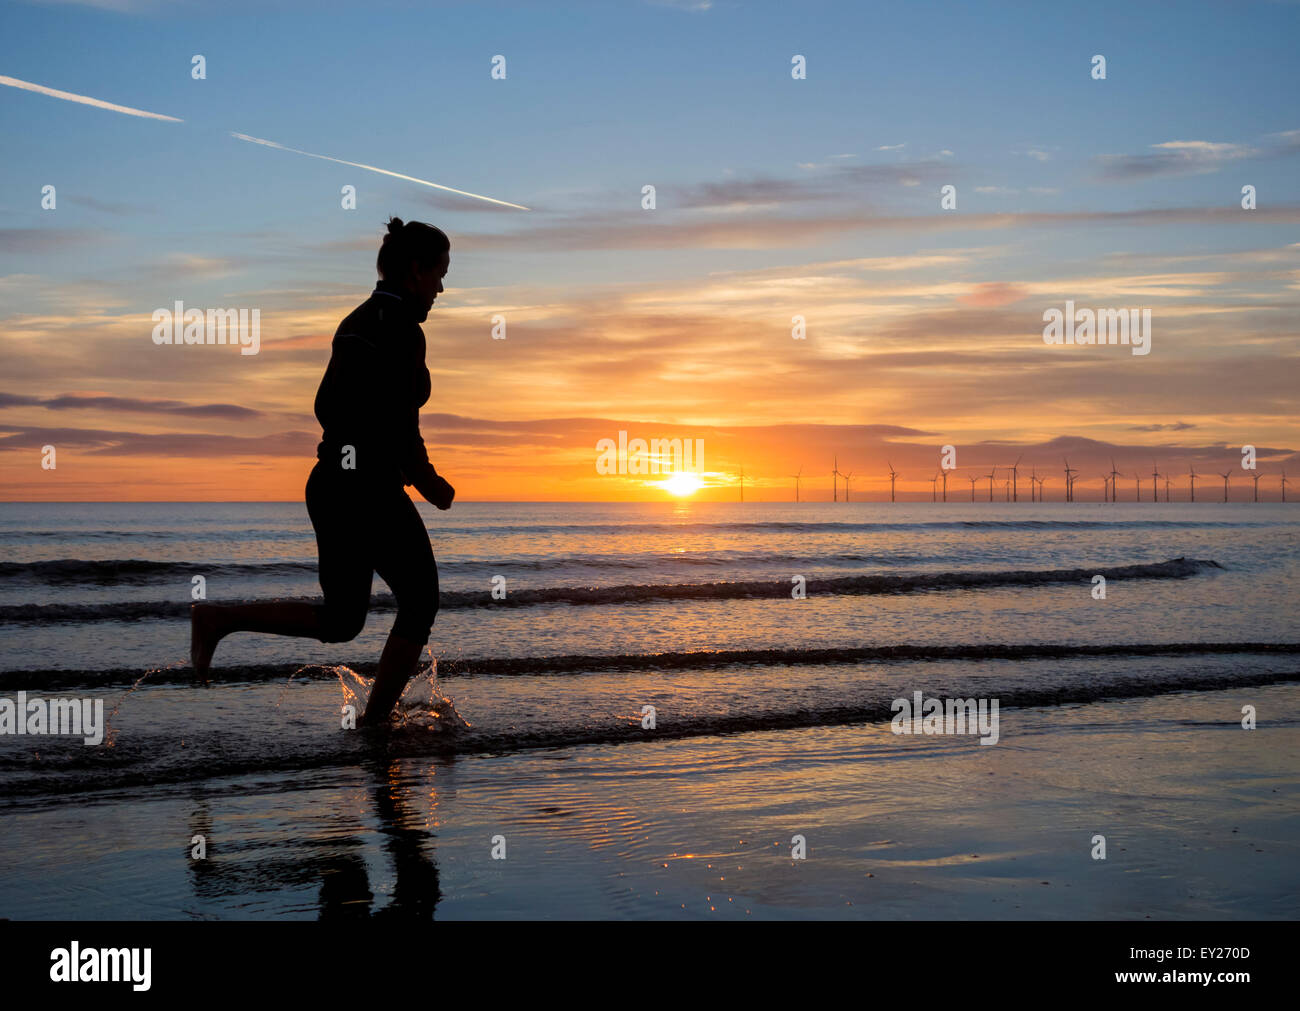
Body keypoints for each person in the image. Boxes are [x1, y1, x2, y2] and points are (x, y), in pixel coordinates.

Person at [191, 217, 455, 725]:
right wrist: (425, 480)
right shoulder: (399, 329)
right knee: (421, 600)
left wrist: (402, 466)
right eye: (439, 274)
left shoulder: (357, 322)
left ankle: (219, 618)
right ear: (415, 270)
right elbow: (399, 420)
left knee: (342, 620)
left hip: (334, 483)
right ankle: (377, 728)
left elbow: (332, 406)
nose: (441, 288)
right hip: (364, 488)